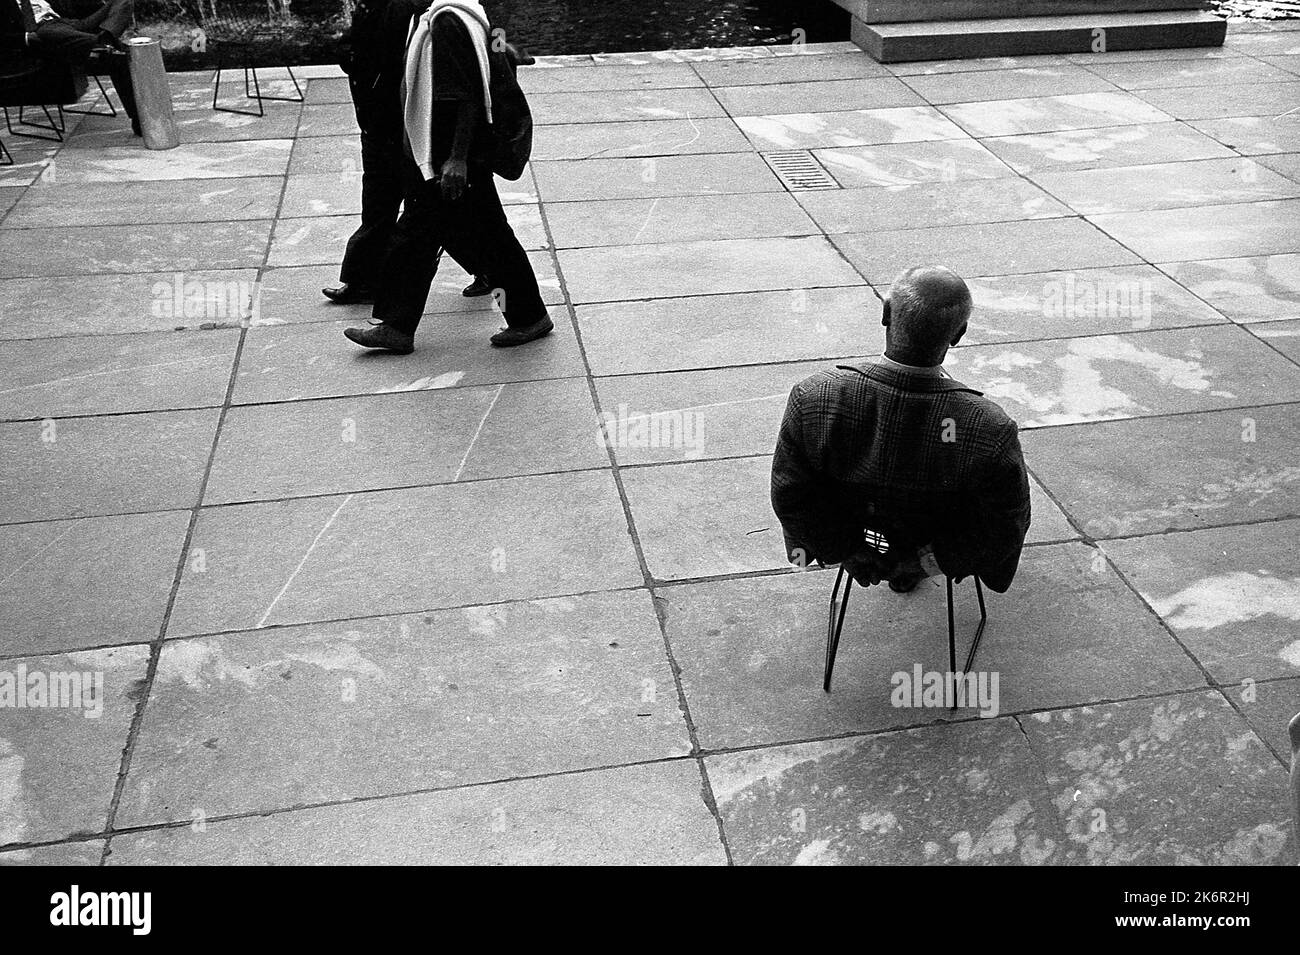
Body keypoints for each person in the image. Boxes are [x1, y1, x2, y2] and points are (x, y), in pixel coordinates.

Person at [771, 265, 1031, 594]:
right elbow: (1005, 526)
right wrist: (927, 562)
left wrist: (848, 551)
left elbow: (790, 495)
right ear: (958, 334)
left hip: (854, 538)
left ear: (886, 313)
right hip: (930, 544)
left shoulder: (813, 397)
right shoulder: (989, 428)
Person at [343, 0, 551, 354]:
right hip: (446, 152)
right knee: (452, 233)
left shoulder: (447, 21)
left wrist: (457, 159)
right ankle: (525, 316)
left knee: (430, 233)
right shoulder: (453, 12)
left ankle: (398, 326)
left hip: (448, 155)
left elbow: (466, 94)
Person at [323, 0, 490, 305]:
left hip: (401, 124)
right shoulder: (367, 8)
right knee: (380, 204)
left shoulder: (423, 14)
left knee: (430, 214)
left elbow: (454, 84)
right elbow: (351, 50)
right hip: (378, 122)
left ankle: (486, 271)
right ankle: (364, 280)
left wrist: (455, 154)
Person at [4, 0, 140, 136]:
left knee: (123, 1)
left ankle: (104, 40)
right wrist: (26, 37)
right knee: (117, 57)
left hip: (68, 24)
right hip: (42, 31)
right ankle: (139, 120)